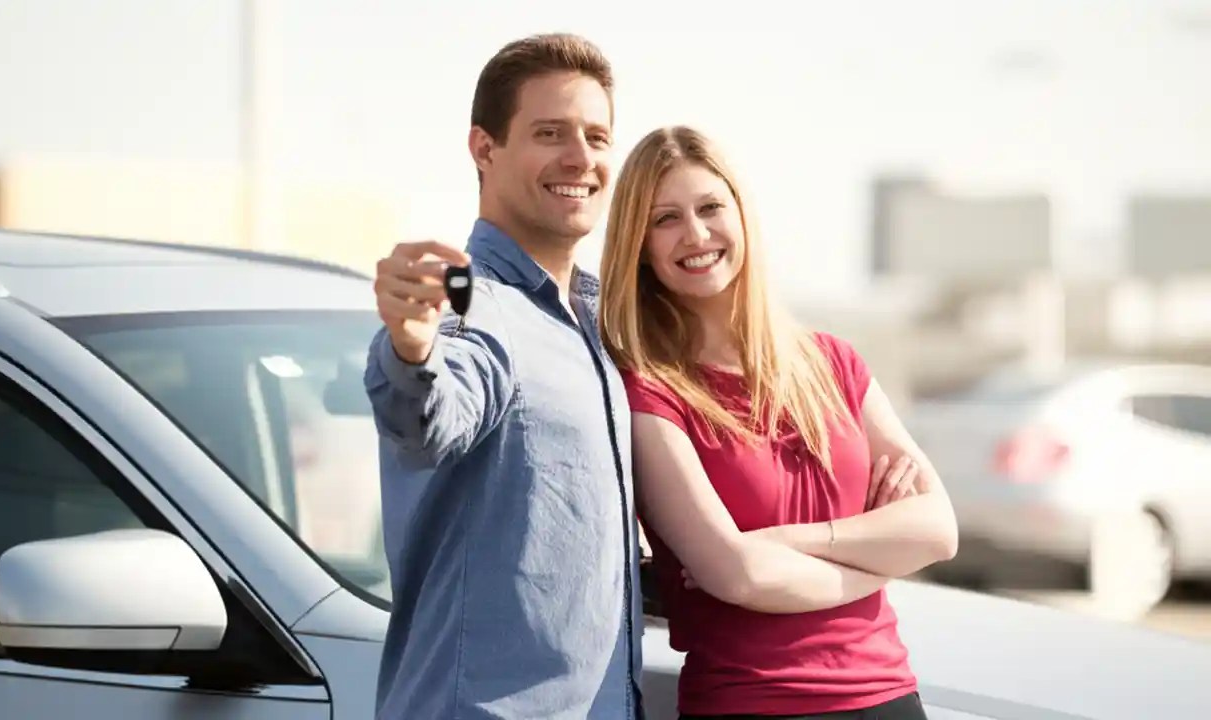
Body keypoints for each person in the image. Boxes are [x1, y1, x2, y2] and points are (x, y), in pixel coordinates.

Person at [598, 125, 958, 719]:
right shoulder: (652, 392)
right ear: (639, 245)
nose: (695, 234)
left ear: (741, 213)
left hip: (889, 698)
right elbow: (738, 576)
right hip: (752, 703)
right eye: (665, 219)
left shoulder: (835, 364)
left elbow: (938, 531)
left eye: (711, 207)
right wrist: (878, 561)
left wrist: (790, 543)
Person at [362, 33, 644, 720]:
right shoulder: (473, 302)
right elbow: (429, 419)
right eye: (550, 133)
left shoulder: (596, 320)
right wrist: (411, 347)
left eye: (597, 137)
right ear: (484, 149)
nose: (581, 158)